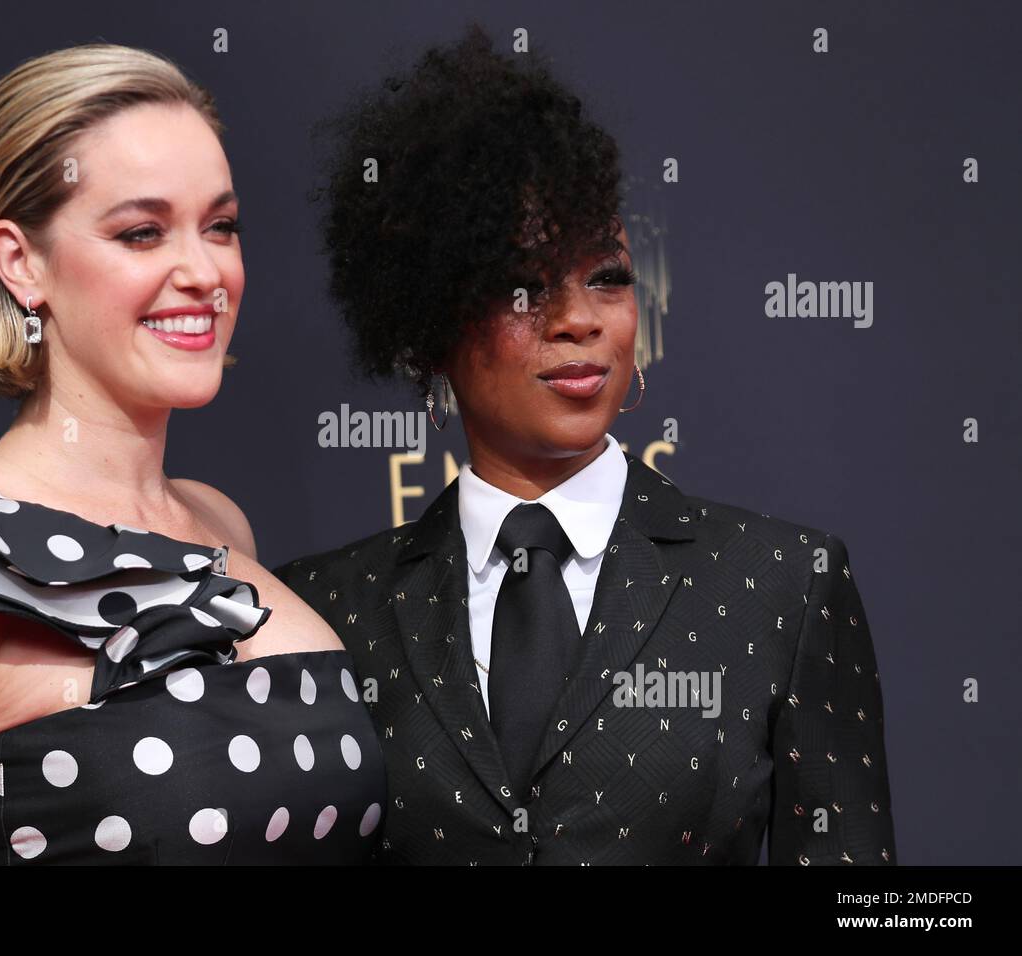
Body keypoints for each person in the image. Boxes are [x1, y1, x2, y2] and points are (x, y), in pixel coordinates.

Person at [0, 42, 384, 865]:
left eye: (220, 226)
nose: (205, 271)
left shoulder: (220, 522)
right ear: (21, 263)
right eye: (143, 232)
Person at [273, 25, 896, 865]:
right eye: (526, 286)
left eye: (607, 276)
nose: (581, 319)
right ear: (426, 323)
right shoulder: (321, 615)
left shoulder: (782, 589)